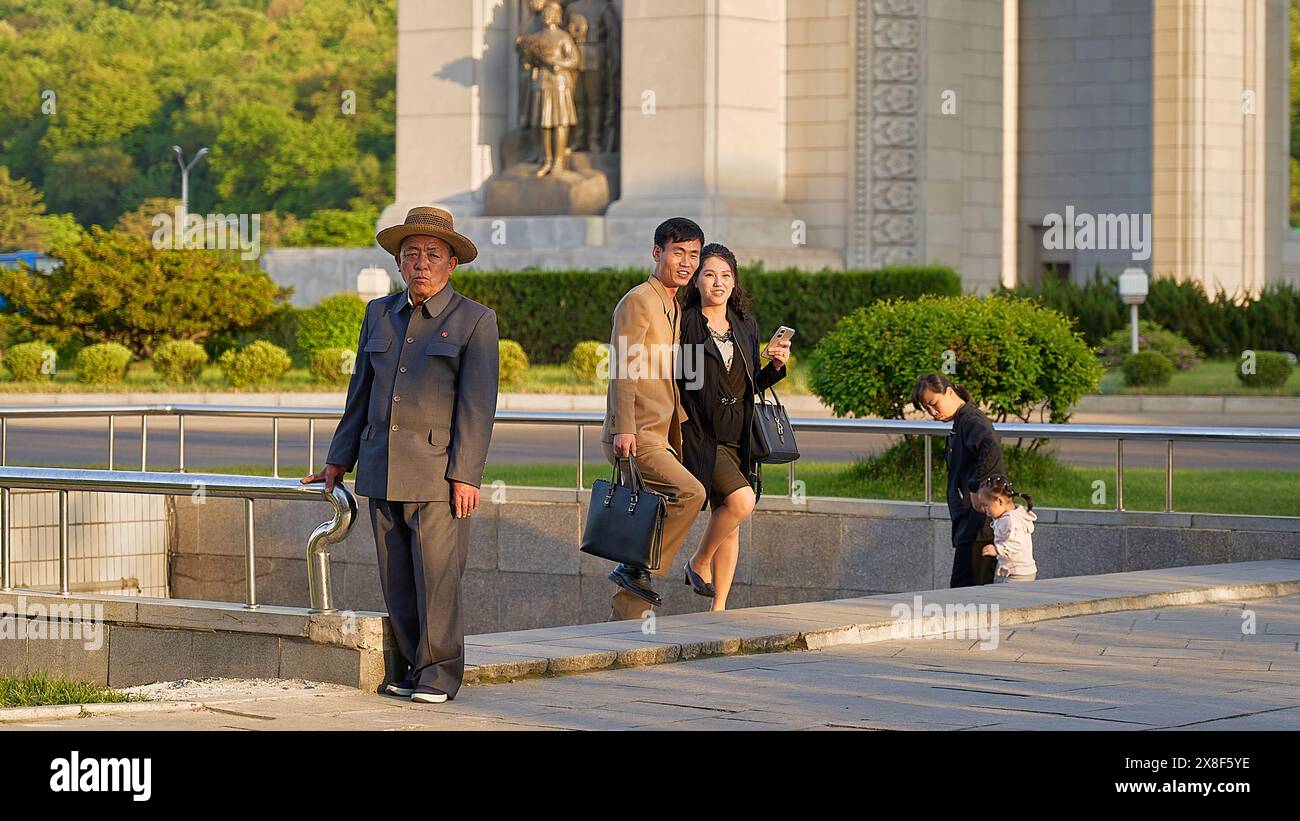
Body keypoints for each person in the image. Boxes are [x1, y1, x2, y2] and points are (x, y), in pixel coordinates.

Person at [302, 206, 499, 704]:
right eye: (412, 254)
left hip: (438, 476)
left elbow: (478, 406)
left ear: (452, 263)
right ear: (398, 260)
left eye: (433, 254)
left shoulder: (475, 320)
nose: (422, 263)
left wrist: (467, 476)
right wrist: (337, 459)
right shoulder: (378, 313)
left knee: (437, 577)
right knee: (396, 576)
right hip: (380, 468)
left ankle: (440, 674)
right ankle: (411, 667)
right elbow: (360, 393)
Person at [601, 217, 708, 620]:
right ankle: (635, 566)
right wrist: (624, 427)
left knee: (647, 523)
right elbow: (623, 367)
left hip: (660, 434)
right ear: (657, 252)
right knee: (690, 494)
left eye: (693, 255)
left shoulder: (673, 305)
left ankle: (622, 626)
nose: (686, 262)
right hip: (637, 435)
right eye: (678, 252)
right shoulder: (639, 300)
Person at [677, 243, 789, 610]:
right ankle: (698, 561)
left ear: (734, 281)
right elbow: (683, 380)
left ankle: (719, 609)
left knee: (732, 520)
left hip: (739, 436)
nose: (718, 282)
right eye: (709, 274)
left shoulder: (745, 325)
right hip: (702, 436)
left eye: (726, 275)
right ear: (696, 281)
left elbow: (747, 385)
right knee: (743, 501)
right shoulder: (687, 321)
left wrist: (773, 366)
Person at [911, 372, 1006, 588]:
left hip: (980, 524)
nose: (933, 412)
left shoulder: (971, 420)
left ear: (950, 392)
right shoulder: (963, 421)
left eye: (934, 403)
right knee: (966, 592)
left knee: (967, 594)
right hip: (972, 523)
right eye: (928, 409)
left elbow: (990, 447)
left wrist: (974, 488)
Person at [975, 475, 1038, 582]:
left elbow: (1017, 543)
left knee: (1009, 597)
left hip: (1019, 572)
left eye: (986, 505)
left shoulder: (1010, 520)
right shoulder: (1012, 515)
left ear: (999, 501)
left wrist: (997, 549)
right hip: (1019, 571)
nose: (984, 510)